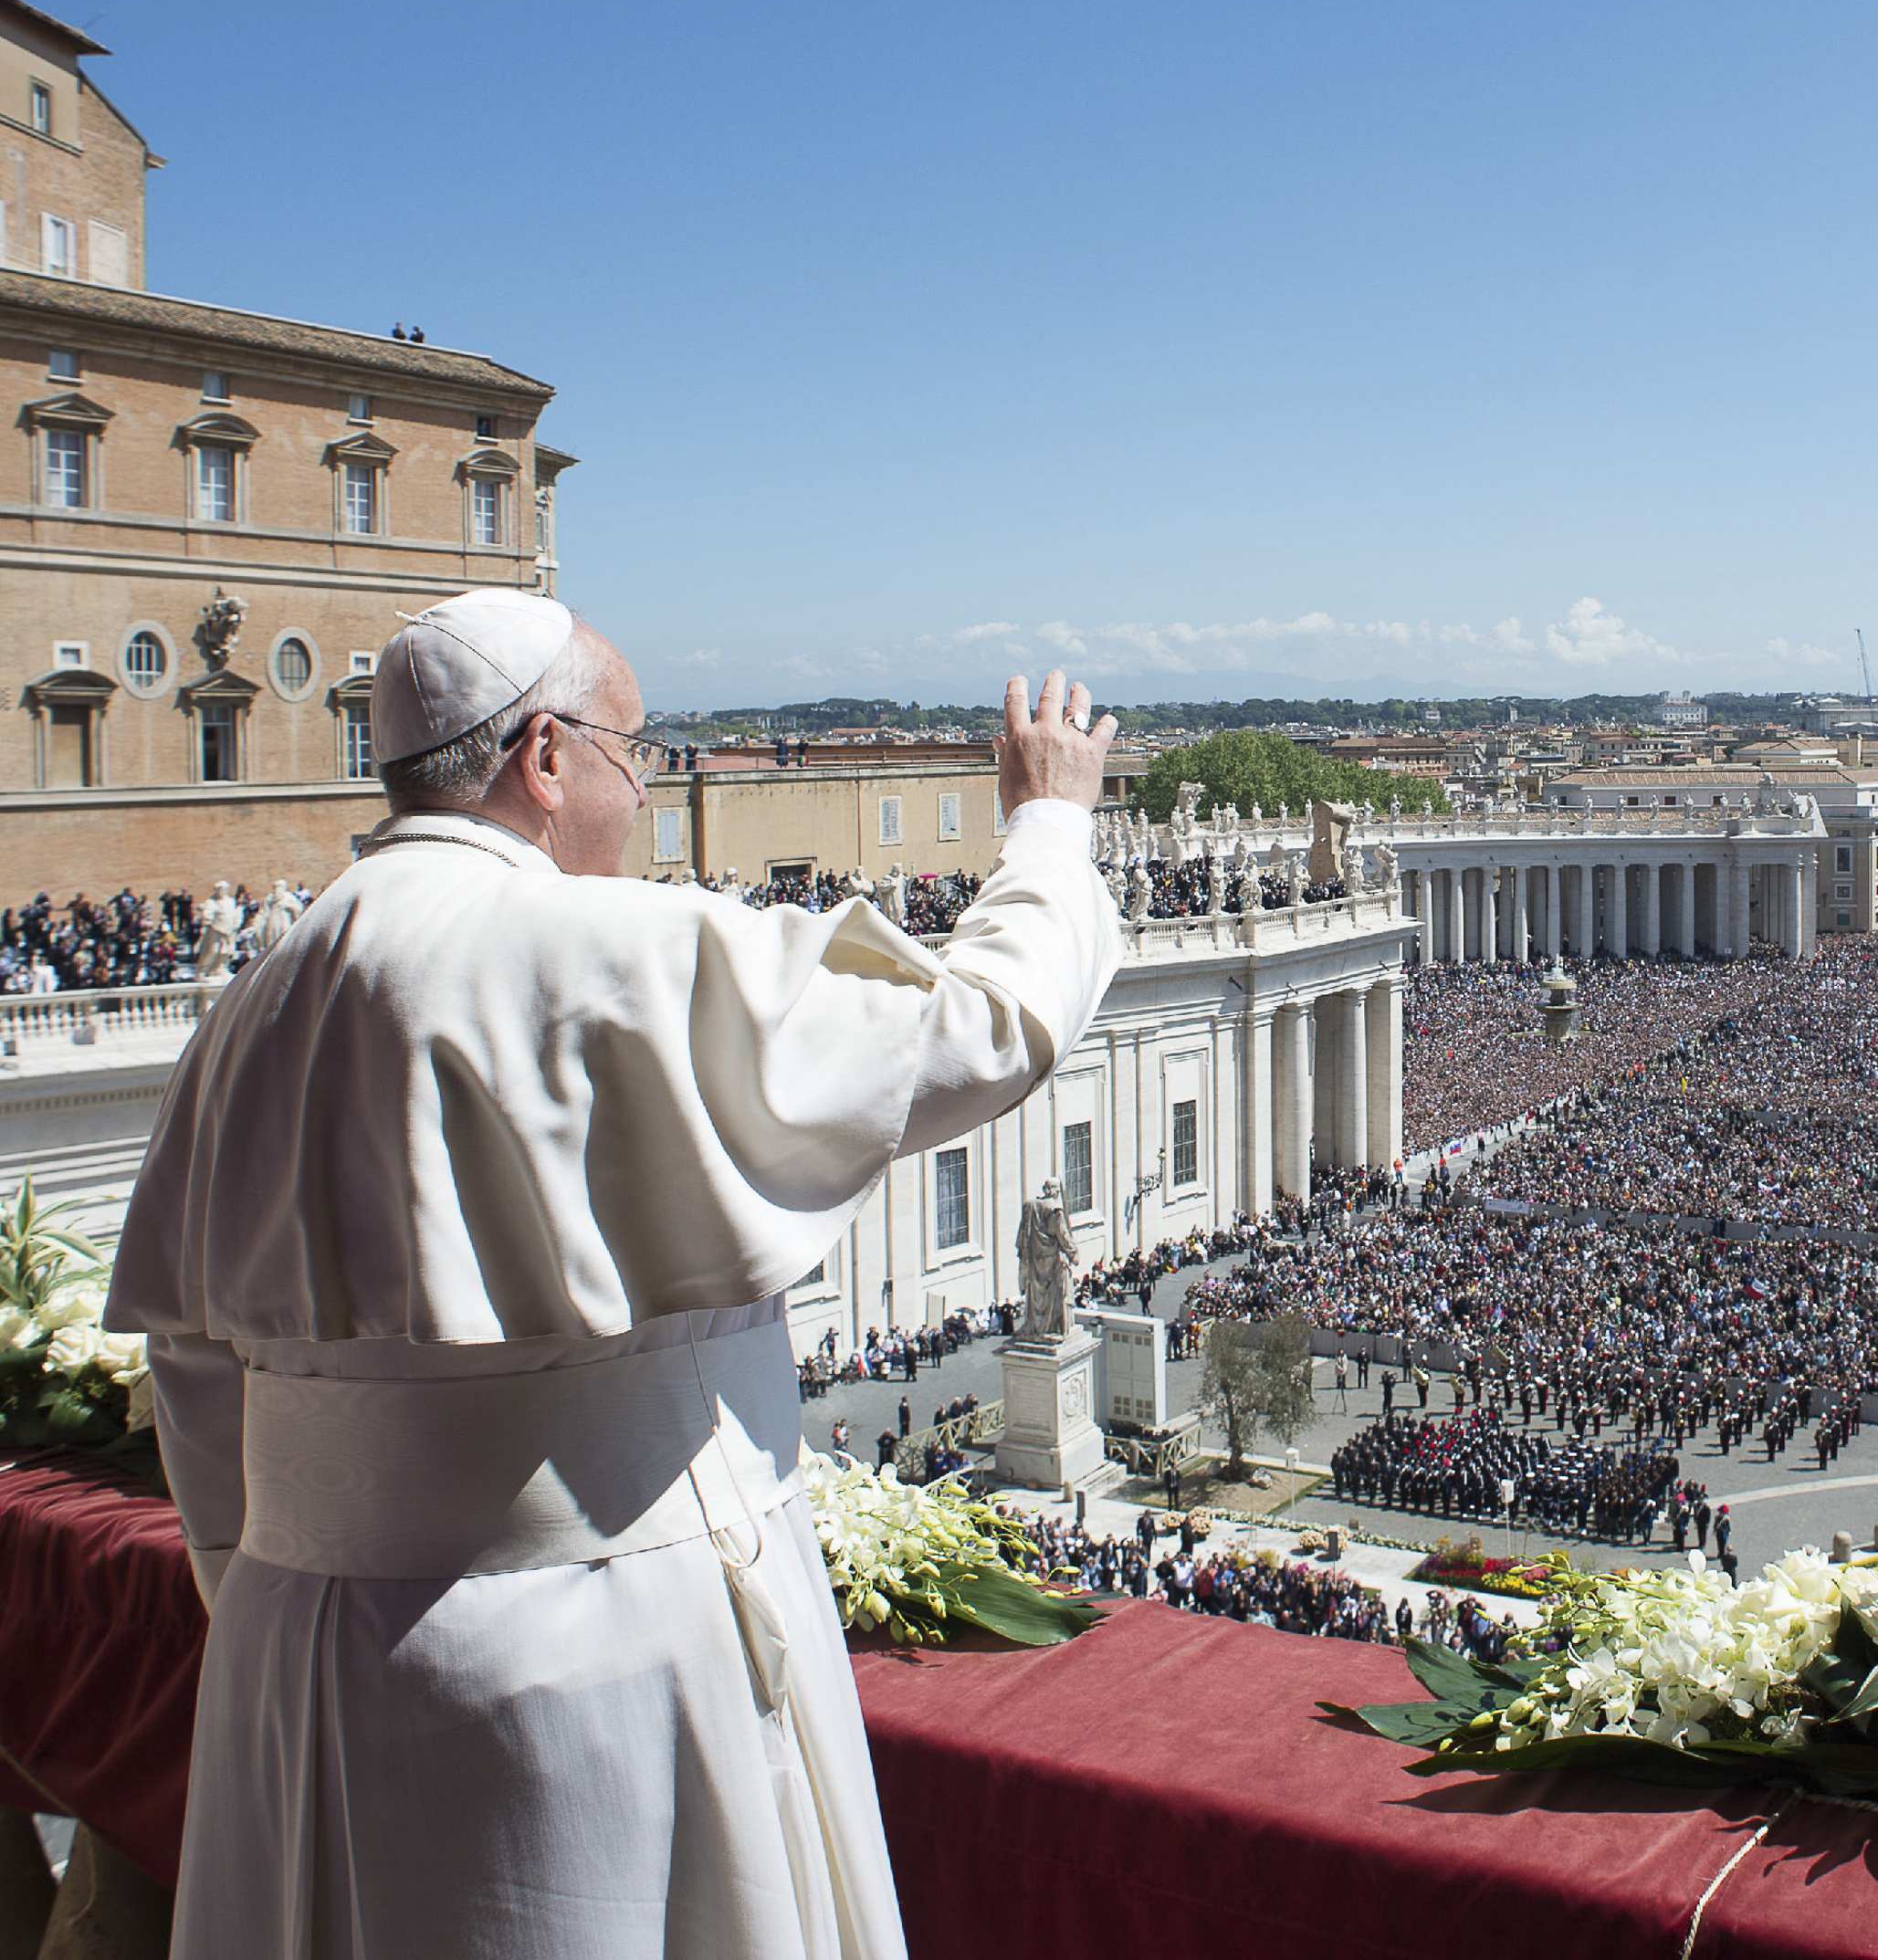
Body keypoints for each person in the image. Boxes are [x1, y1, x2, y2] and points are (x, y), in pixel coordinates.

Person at [104, 592, 1124, 1960]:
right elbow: (982, 1025)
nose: (641, 792)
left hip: (295, 1672)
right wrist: (1051, 820)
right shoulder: (612, 950)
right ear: (541, 755)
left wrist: (297, 1580)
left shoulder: (253, 1001)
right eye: (633, 754)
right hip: (595, 1669)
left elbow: (192, 1371)